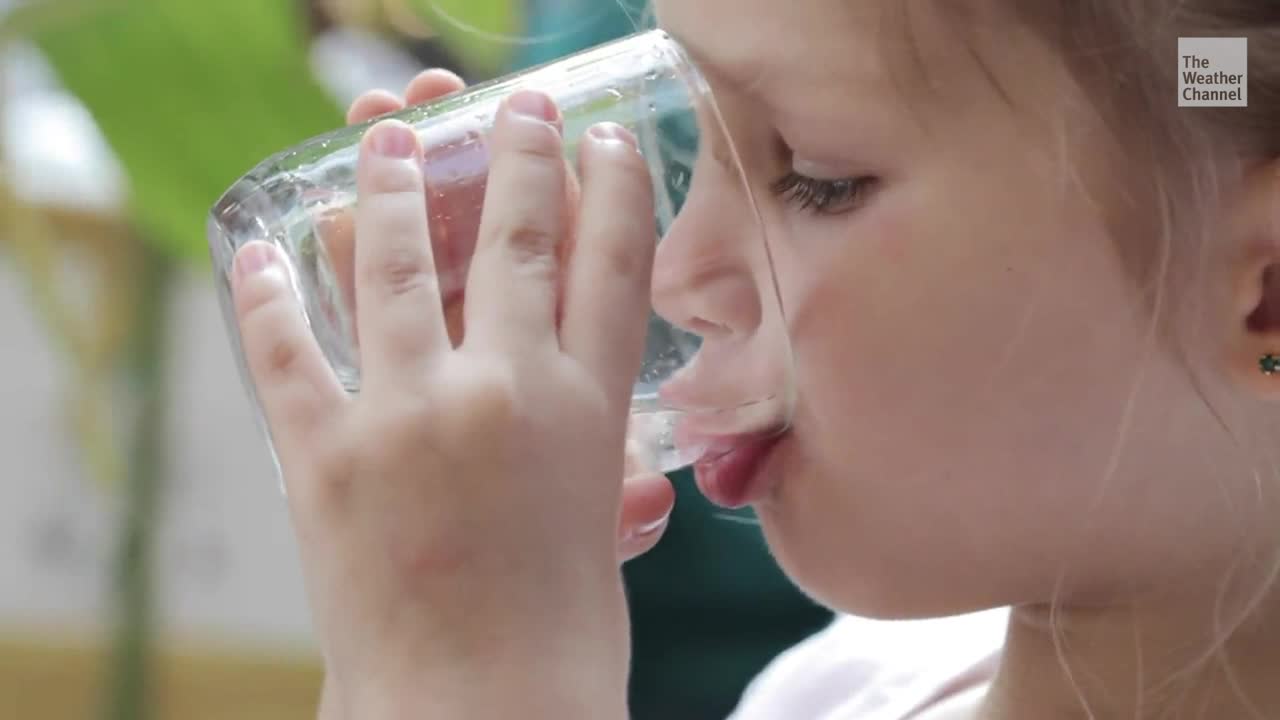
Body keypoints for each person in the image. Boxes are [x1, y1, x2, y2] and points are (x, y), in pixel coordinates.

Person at [227, 1, 1280, 717]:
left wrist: (475, 687)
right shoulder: (833, 689)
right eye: (692, 148)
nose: (675, 273)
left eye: (815, 177)